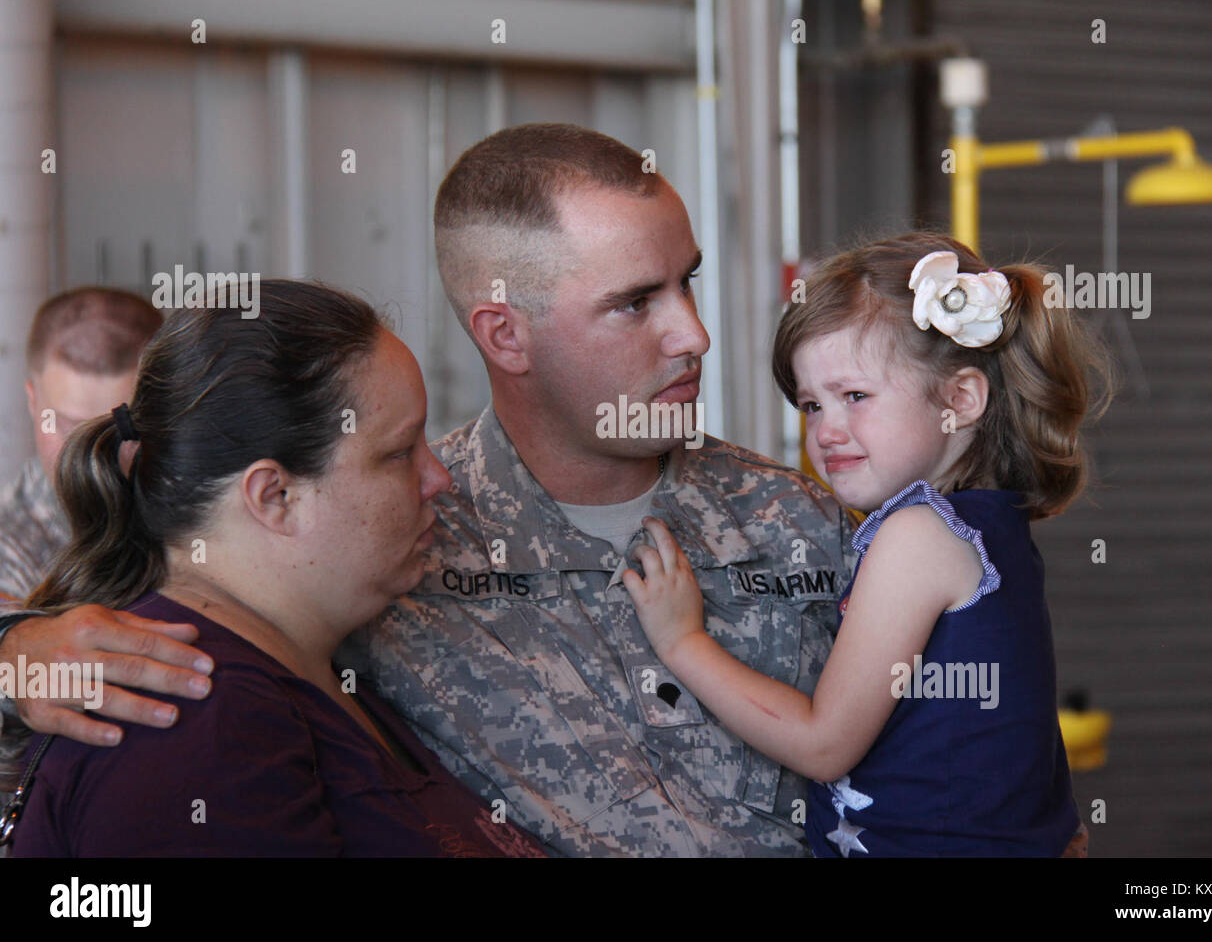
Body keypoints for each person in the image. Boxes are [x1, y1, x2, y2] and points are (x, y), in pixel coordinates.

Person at [0, 124, 855, 857]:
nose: (695, 334)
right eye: (634, 302)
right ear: (504, 333)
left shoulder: (802, 522)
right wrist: (12, 659)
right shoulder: (389, 555)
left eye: (688, 282)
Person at [4, 280, 545, 857]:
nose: (440, 478)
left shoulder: (309, 663)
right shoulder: (190, 716)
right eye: (397, 452)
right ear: (274, 495)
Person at [626, 232, 1110, 856]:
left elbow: (823, 745)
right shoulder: (994, 526)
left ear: (959, 399)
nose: (827, 432)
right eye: (810, 404)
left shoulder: (917, 536)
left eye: (855, 396)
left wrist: (682, 641)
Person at [0, 287, 162, 603]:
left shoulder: (198, 512)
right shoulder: (10, 546)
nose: (92, 454)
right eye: (68, 427)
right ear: (32, 402)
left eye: (119, 429)